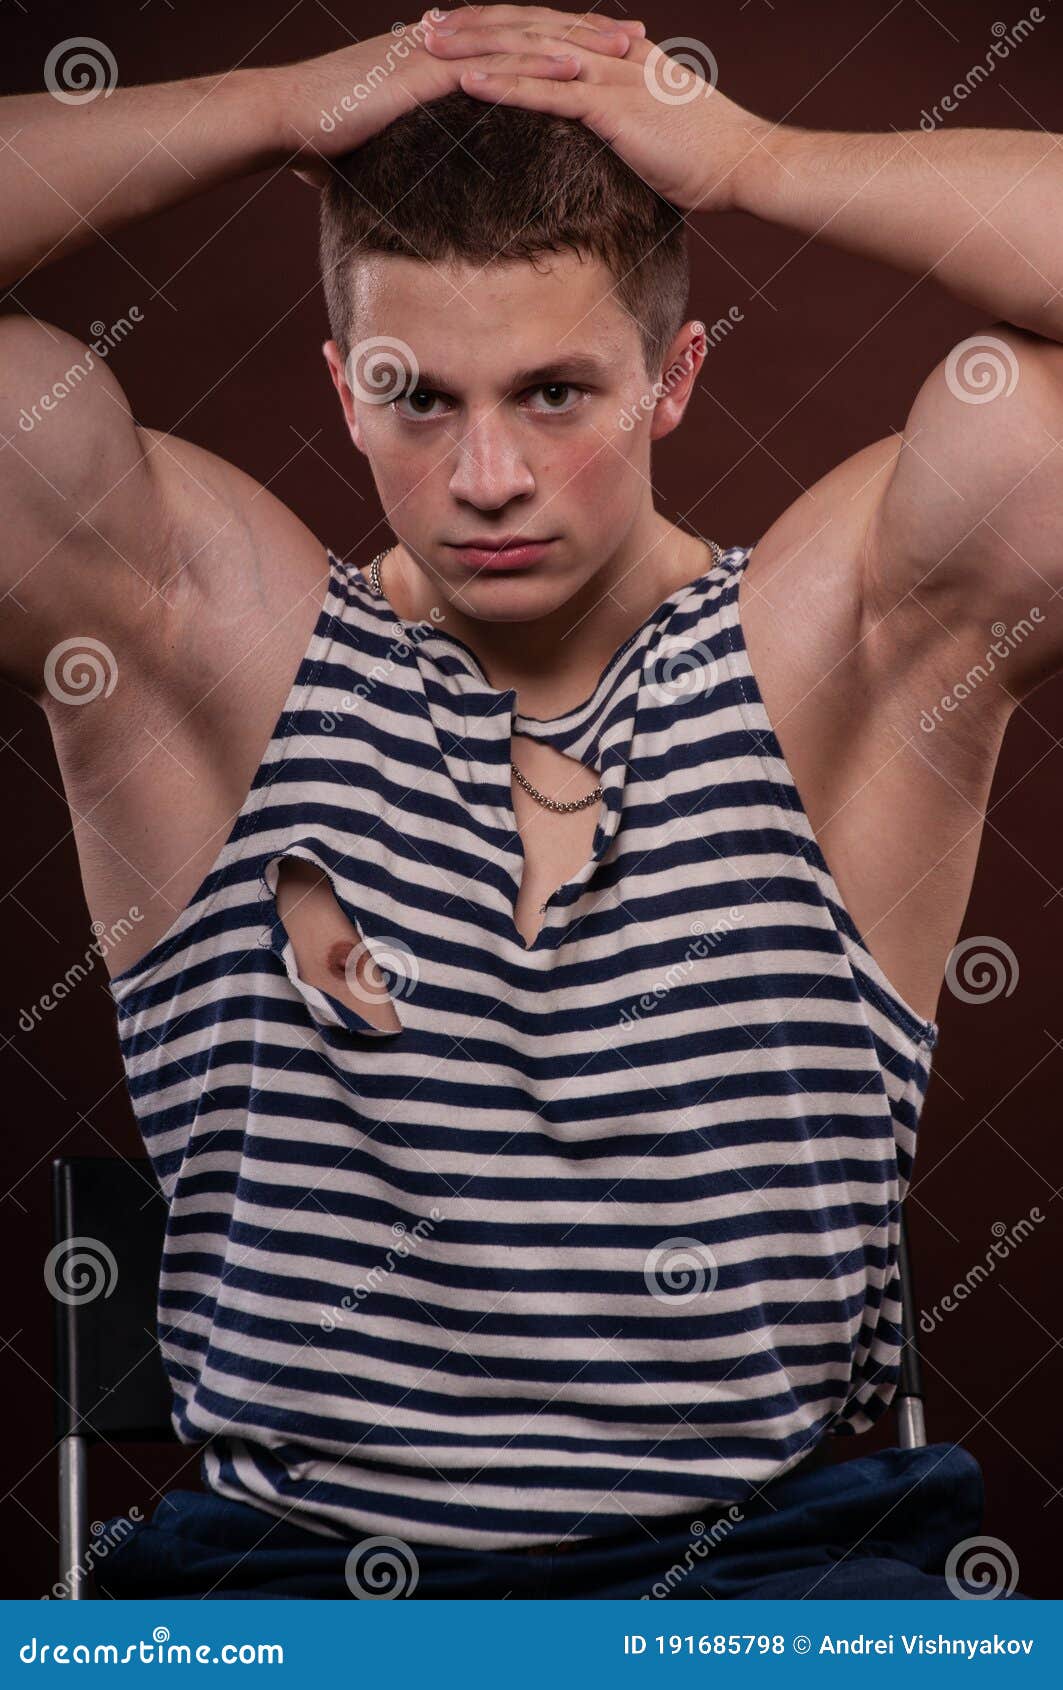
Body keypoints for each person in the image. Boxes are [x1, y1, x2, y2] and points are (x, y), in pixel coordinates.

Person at [3, 6, 1052, 1600]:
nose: (487, 475)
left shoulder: (844, 657)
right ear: (343, 389)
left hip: (755, 1579)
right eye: (420, 396)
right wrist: (275, 106)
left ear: (674, 377)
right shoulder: (199, 646)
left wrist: (758, 160)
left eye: (558, 393)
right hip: (291, 1581)